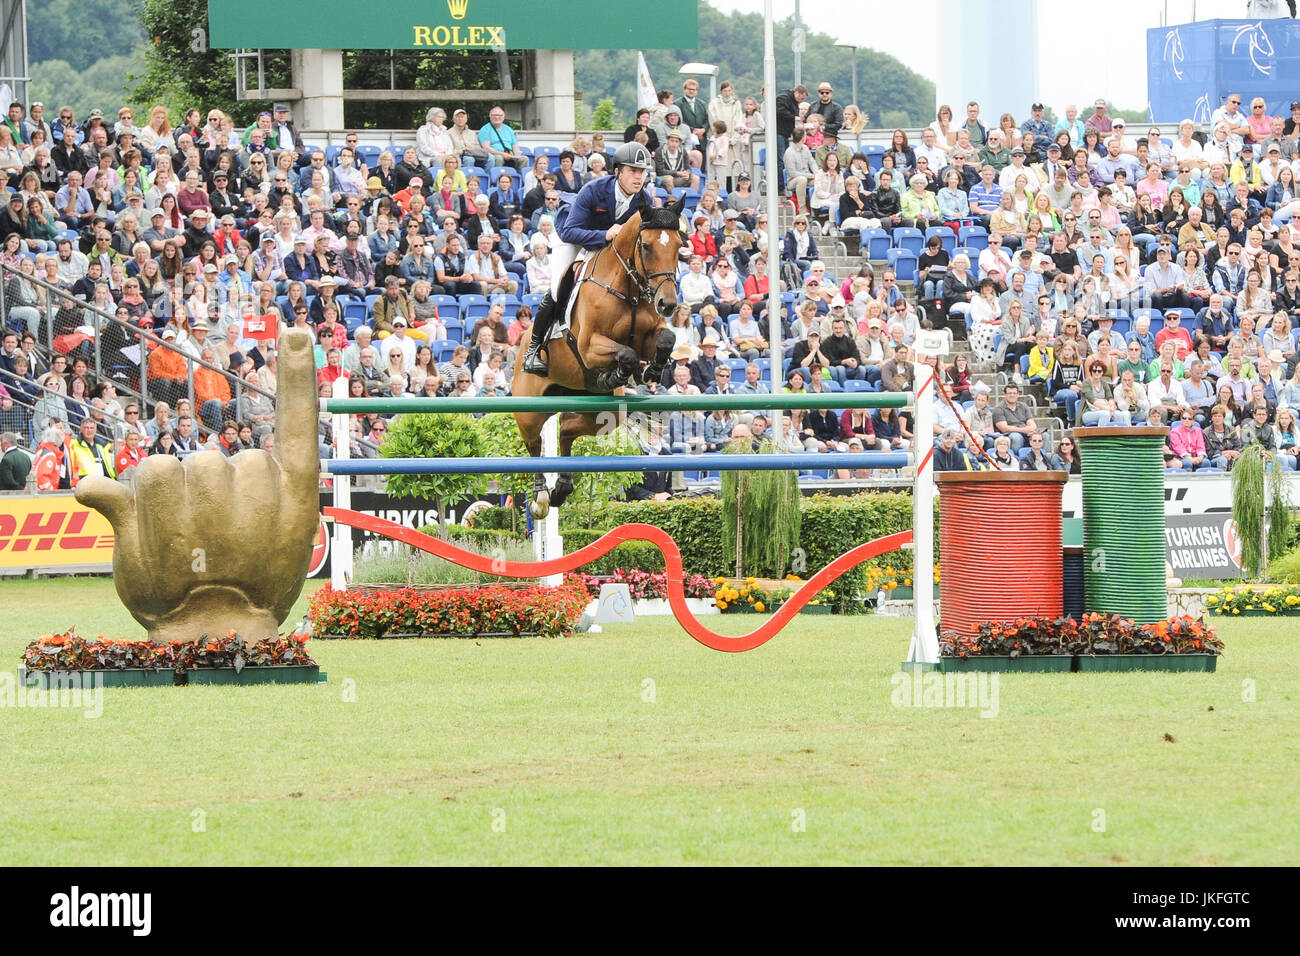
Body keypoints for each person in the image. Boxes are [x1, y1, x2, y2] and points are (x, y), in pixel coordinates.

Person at [521, 142, 656, 375]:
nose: (638, 177)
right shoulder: (594, 190)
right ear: (618, 172)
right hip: (571, 237)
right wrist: (605, 234)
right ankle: (533, 350)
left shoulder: (644, 201)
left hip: (607, 245)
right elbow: (571, 231)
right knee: (557, 288)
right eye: (633, 171)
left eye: (642, 172)